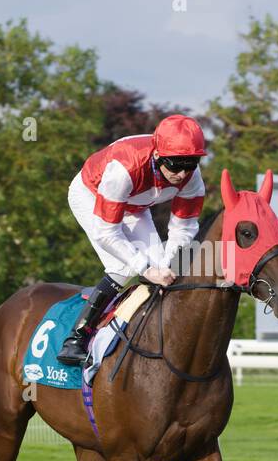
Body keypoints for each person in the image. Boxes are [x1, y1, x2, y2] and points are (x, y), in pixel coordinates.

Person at [56, 114, 207, 365]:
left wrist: (165, 265)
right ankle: (76, 338)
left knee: (166, 270)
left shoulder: (192, 178)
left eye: (190, 164)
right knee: (123, 266)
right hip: (92, 195)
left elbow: (184, 228)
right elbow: (107, 233)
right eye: (176, 164)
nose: (182, 174)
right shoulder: (124, 170)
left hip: (135, 206)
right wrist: (146, 269)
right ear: (158, 156)